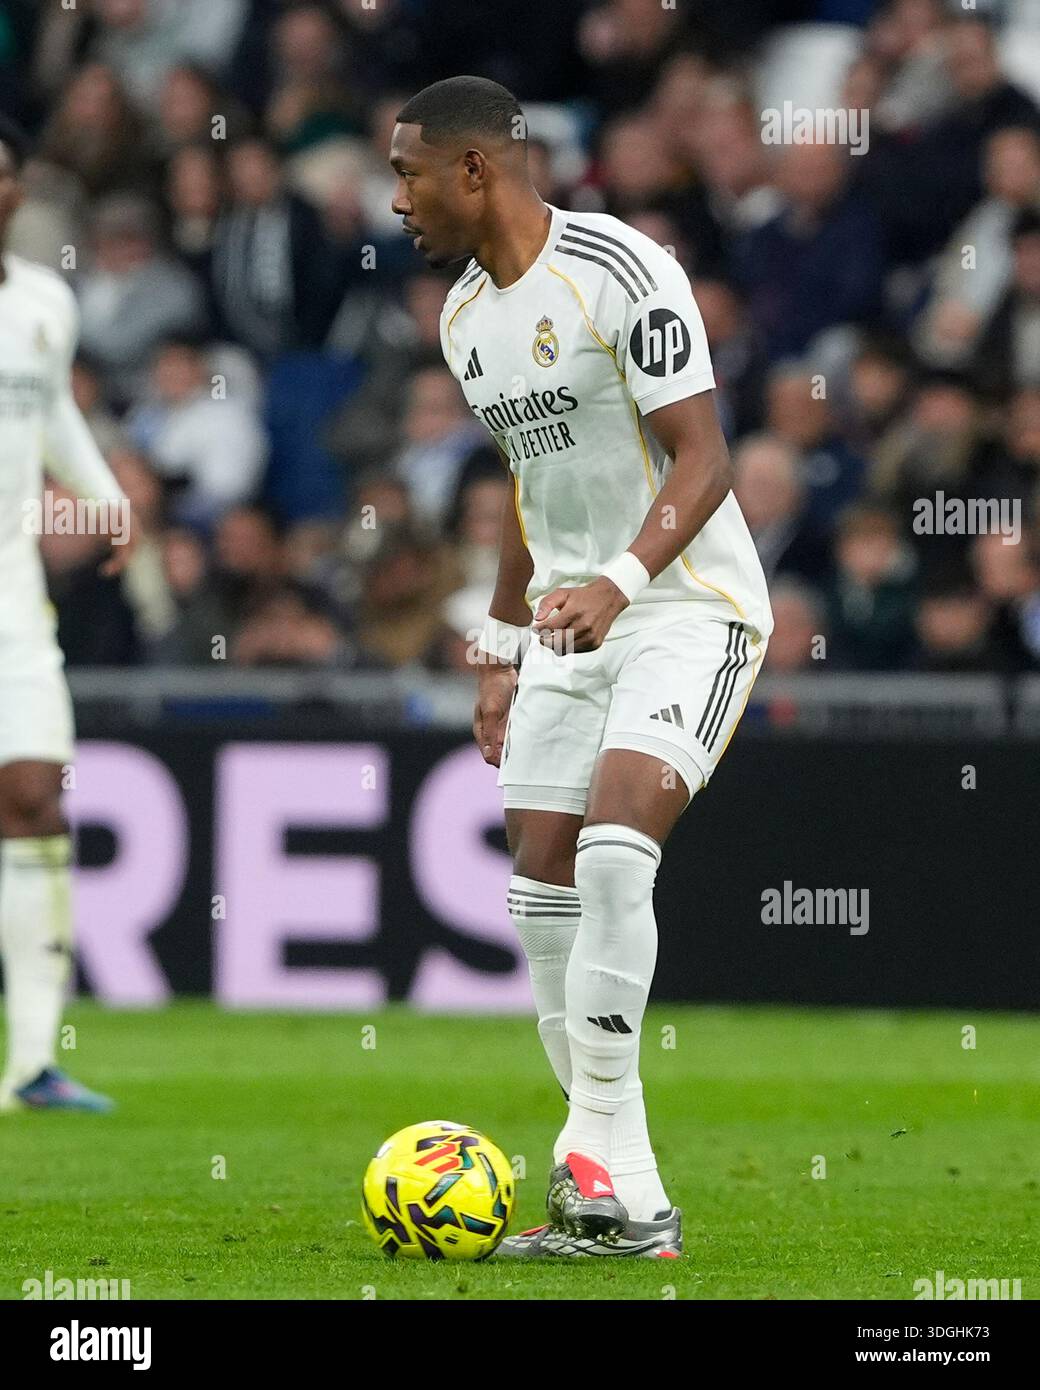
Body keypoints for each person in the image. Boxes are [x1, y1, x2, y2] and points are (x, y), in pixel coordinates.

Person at [389, 76, 772, 1255]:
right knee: (539, 886)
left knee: (613, 851)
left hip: (683, 606)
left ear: (473, 170)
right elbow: (527, 482)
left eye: (407, 172)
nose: (392, 198)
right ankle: (630, 1204)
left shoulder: (619, 265)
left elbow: (704, 455)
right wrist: (503, 648)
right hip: (565, 624)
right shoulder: (461, 319)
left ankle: (587, 1148)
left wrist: (618, 579)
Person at [0, 117, 132, 1113]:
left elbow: (48, 416)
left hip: (12, 594)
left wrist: (103, 498)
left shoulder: (45, 302)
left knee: (37, 795)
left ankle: (34, 1061)